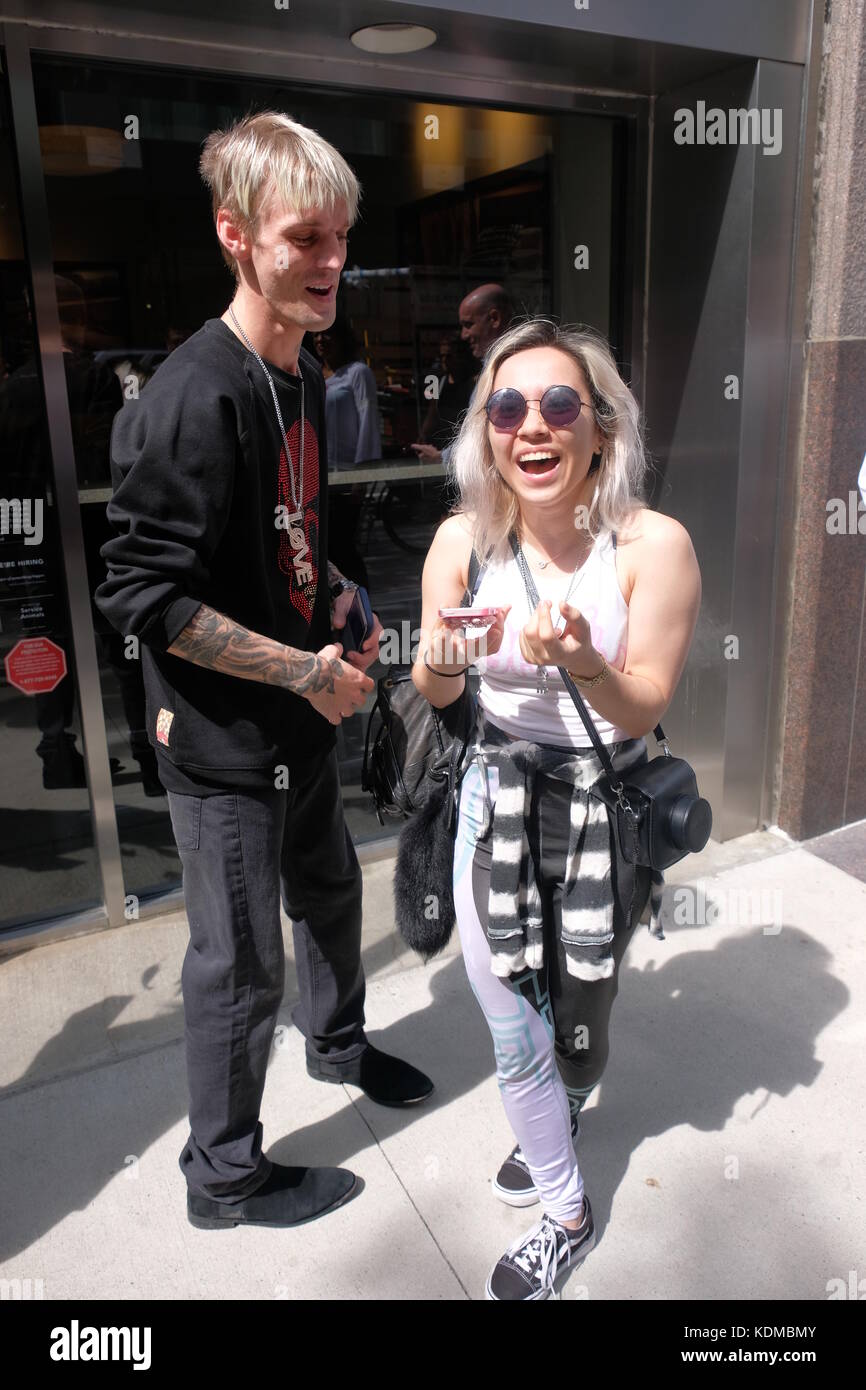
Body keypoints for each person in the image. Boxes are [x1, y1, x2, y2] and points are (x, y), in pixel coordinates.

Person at [95, 110, 434, 1234]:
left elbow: (285, 531)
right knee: (235, 970)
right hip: (224, 749)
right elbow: (141, 593)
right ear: (234, 234)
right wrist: (301, 672)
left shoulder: (299, 368)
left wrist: (338, 592)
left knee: (331, 897)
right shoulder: (196, 392)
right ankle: (225, 1179)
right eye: (306, 238)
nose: (332, 262)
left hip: (296, 725)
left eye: (341, 235)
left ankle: (336, 1048)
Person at [412, 317, 701, 1299]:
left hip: (598, 807)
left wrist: (583, 660)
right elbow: (435, 685)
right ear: (485, 432)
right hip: (496, 796)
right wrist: (442, 663)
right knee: (511, 1020)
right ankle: (565, 1208)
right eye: (507, 406)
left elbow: (648, 697)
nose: (530, 425)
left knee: (578, 1007)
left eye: (558, 403)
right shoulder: (460, 539)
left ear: (598, 427)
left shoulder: (649, 545)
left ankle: (563, 1095)